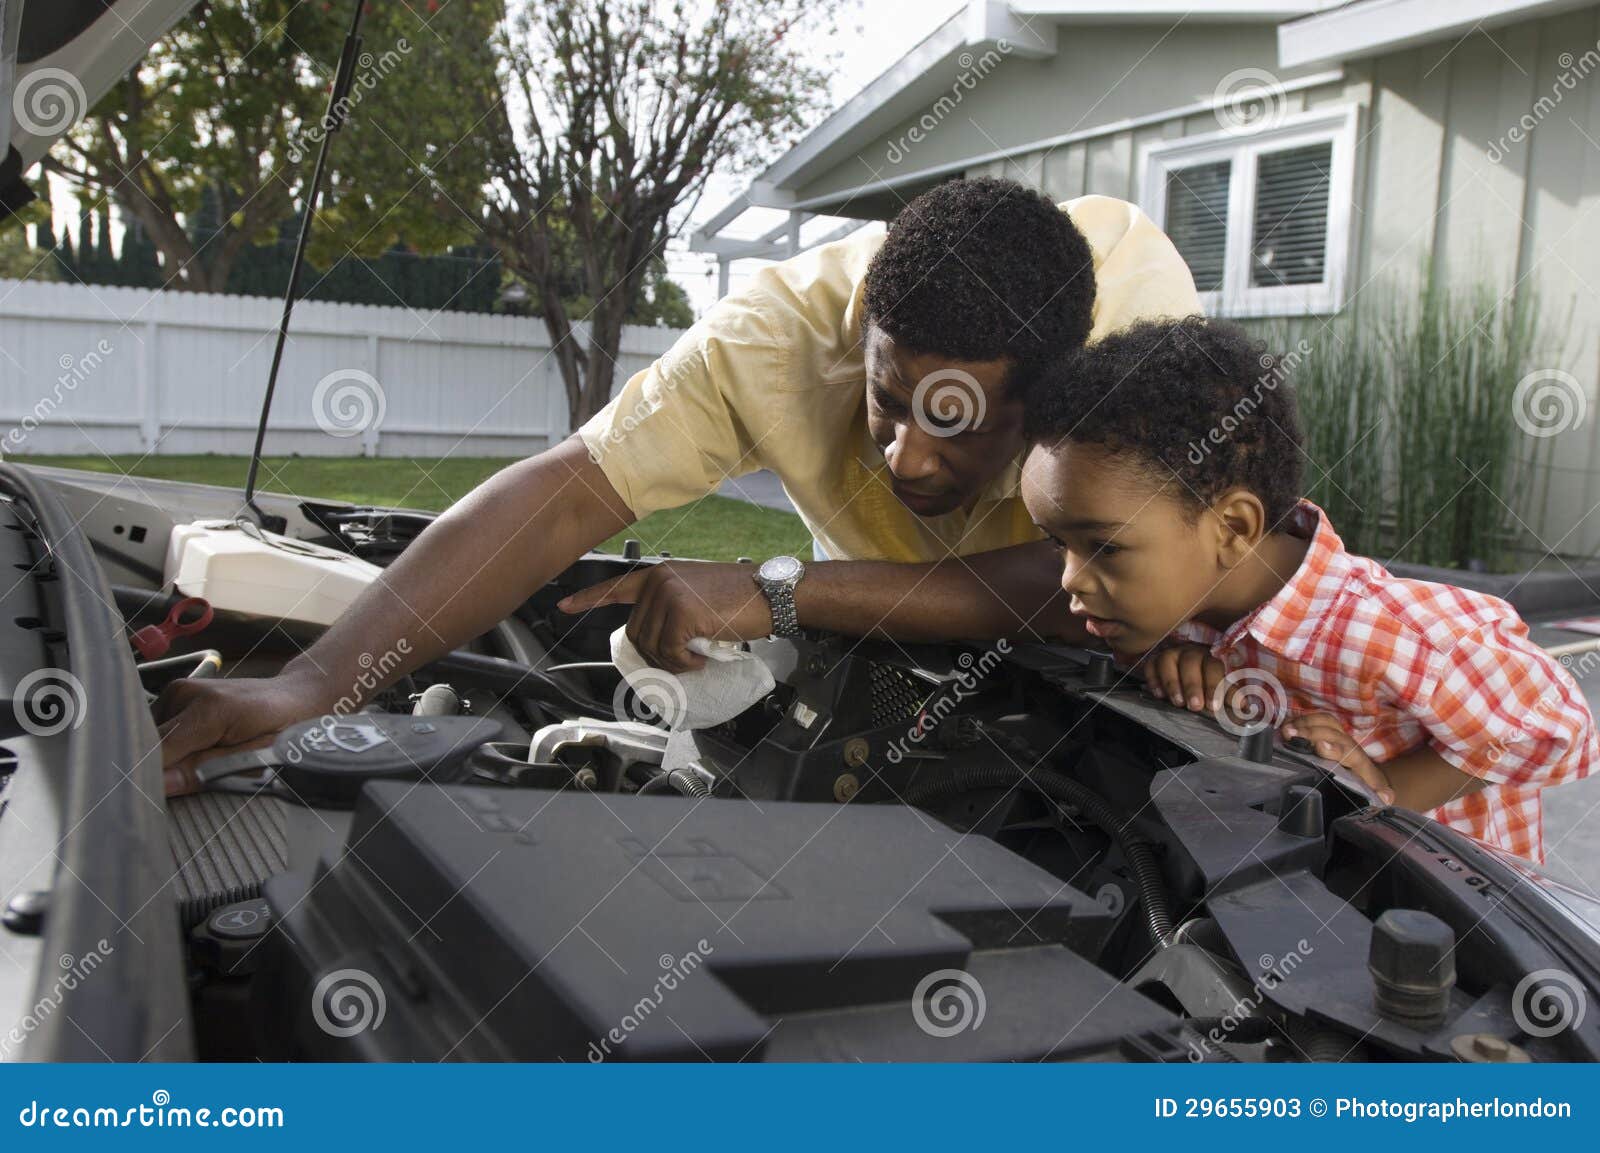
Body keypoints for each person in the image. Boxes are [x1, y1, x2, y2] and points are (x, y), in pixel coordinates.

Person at [156, 177, 1199, 781]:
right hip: (895, 649)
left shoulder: (1134, 327)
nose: (905, 459)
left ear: (1049, 400)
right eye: (886, 401)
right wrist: (312, 682)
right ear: (864, 337)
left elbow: (1092, 584)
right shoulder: (780, 332)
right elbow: (567, 488)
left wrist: (776, 589)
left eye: (959, 430)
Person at [1019, 315, 1596, 863]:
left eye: (1105, 548)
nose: (1070, 577)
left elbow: (1558, 725)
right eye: (1056, 543)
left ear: (1233, 527)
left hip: (1455, 926)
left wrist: (1384, 789)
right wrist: (1179, 667)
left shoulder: (1395, 634)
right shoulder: (1180, 610)